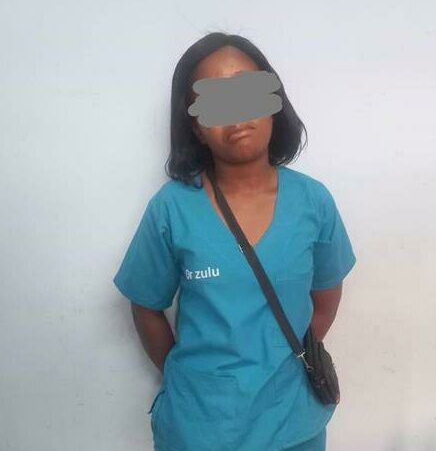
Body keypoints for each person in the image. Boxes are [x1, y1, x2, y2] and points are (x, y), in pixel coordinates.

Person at [113, 32, 357, 451]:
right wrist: (193, 380)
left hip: (293, 427)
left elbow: (325, 299)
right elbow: (146, 306)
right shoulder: (171, 208)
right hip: (197, 431)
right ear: (196, 126)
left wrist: (276, 360)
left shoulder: (313, 201)